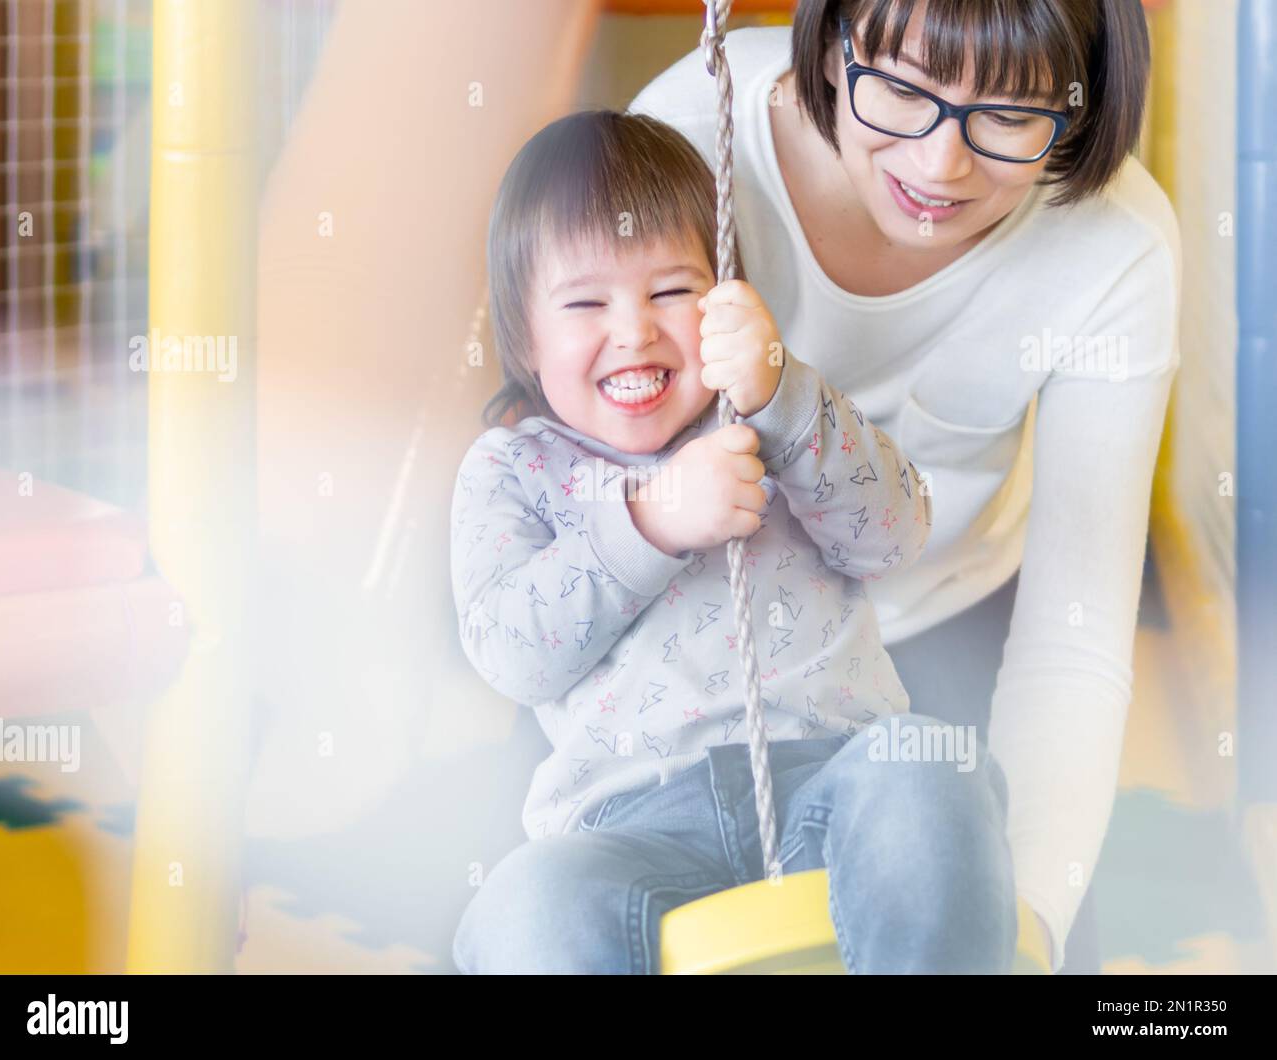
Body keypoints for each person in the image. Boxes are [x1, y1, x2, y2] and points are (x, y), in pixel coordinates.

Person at [628, 0, 1181, 973]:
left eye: (1009, 114)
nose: (938, 166)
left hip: (942, 625)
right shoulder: (689, 133)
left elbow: (1075, 633)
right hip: (701, 646)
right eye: (901, 88)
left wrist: (1033, 925)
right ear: (836, 46)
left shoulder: (1115, 249)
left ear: (1081, 102)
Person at [450, 110, 1020, 974]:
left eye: (672, 291)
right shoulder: (515, 470)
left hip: (835, 775)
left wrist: (783, 396)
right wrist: (650, 523)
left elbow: (896, 533)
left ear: (728, 298)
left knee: (930, 765)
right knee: (522, 905)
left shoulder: (777, 416)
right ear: (525, 336)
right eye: (585, 302)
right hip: (629, 822)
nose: (635, 329)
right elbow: (512, 653)